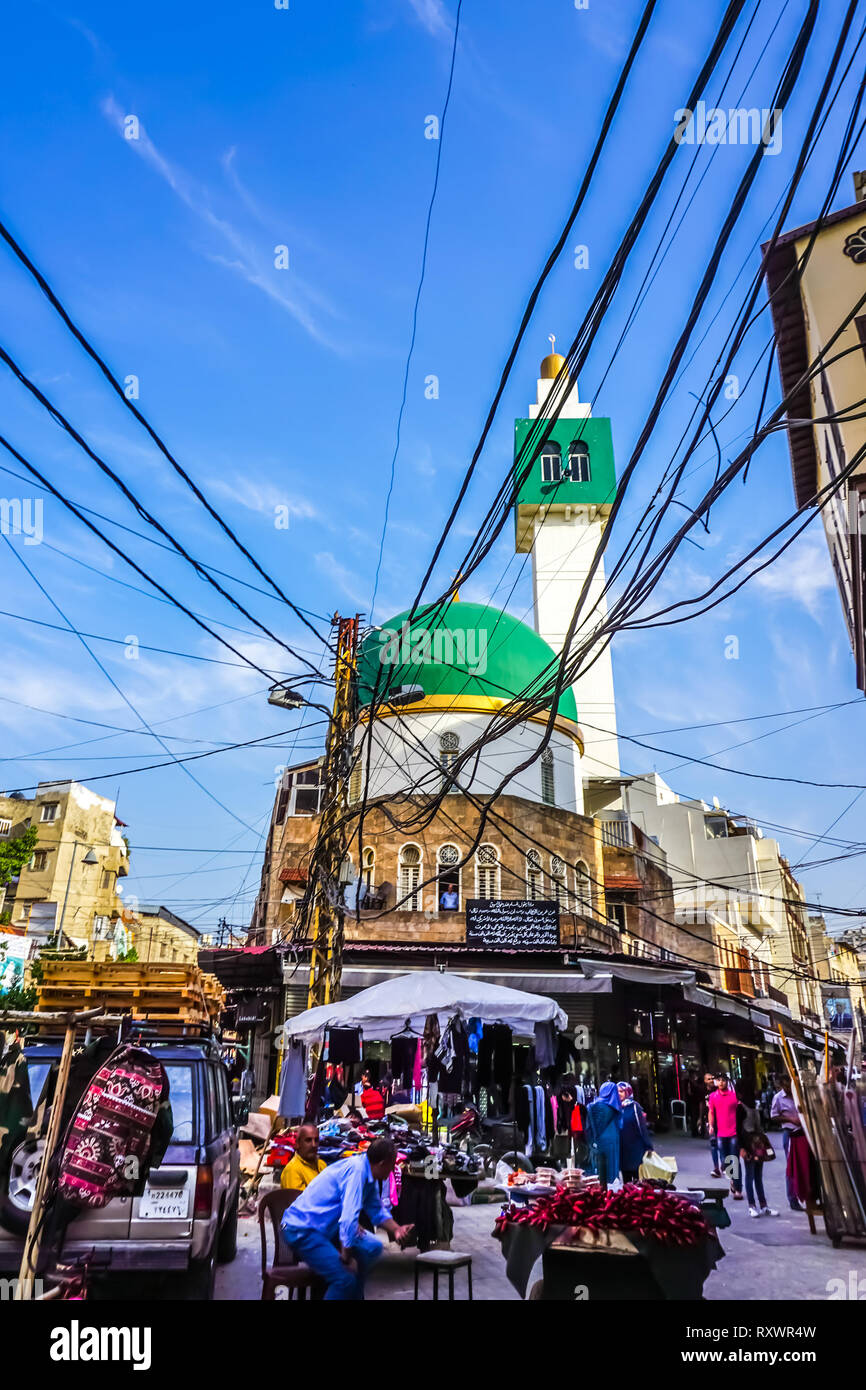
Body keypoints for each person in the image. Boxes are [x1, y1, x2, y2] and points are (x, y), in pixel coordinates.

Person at [281, 1138, 413, 1299]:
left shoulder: (368, 1173)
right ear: (382, 1163)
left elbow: (376, 1210)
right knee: (344, 1279)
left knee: (373, 1247)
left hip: (324, 1227)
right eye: (392, 1166)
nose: (392, 1171)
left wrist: (397, 1230)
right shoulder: (357, 1171)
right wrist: (346, 1257)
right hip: (302, 1229)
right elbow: (348, 1220)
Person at [736, 1081, 778, 1218]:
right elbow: (737, 1130)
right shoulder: (741, 1108)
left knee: (758, 1176)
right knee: (750, 1175)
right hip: (748, 1144)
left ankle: (763, 1205)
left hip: (757, 1144)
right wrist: (741, 1147)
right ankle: (752, 1206)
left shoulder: (753, 1105)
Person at [770, 1075, 804, 1211]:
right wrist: (789, 1119)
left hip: (803, 1132)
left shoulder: (799, 1094)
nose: (788, 1088)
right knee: (791, 1167)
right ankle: (792, 1198)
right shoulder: (778, 1098)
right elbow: (774, 1116)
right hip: (790, 1133)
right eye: (785, 1086)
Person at [708, 1073, 742, 1199]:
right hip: (721, 1133)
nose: (721, 1082)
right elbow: (711, 1111)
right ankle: (732, 1179)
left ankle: (738, 1189)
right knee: (725, 1160)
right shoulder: (713, 1097)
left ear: (727, 1081)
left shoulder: (734, 1096)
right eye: (719, 1080)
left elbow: (740, 1112)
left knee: (735, 1161)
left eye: (723, 1080)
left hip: (734, 1133)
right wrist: (711, 1125)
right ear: (716, 1082)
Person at [586, 1080, 622, 1187]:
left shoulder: (592, 1105)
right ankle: (610, 1190)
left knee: (597, 1167)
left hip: (595, 1141)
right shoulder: (613, 1107)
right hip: (611, 1141)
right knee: (611, 1169)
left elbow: (588, 1127)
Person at [617, 1081, 654, 1181]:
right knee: (626, 1180)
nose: (619, 1094)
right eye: (617, 1091)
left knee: (638, 1178)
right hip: (623, 1149)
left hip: (635, 1148)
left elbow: (641, 1127)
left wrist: (648, 1146)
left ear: (628, 1092)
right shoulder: (616, 1107)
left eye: (621, 1091)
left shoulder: (634, 1107)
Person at [281, 1122, 326, 1192]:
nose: (313, 1145)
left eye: (316, 1140)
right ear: (297, 1144)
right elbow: (300, 1201)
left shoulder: (322, 1164)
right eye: (308, 1140)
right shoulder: (292, 1170)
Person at [703, 1072, 721, 1175]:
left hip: (722, 1121)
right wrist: (701, 1118)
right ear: (705, 1081)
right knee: (714, 1144)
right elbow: (702, 1105)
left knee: (722, 1144)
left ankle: (724, 1166)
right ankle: (716, 1168)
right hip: (710, 1121)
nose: (711, 1081)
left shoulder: (717, 1091)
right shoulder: (704, 1092)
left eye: (712, 1078)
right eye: (709, 1079)